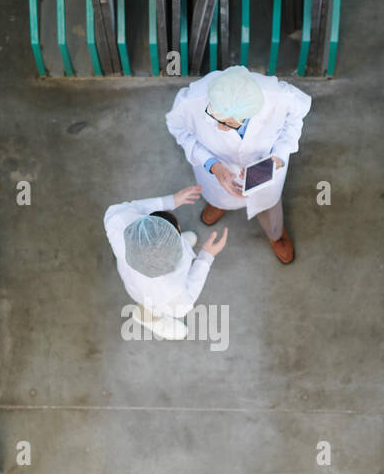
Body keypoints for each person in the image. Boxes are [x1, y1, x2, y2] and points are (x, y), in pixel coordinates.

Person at [165, 65, 311, 264]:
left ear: (250, 114)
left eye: (229, 123)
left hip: (267, 164)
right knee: (219, 194)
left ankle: (275, 233)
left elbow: (295, 121)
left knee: (269, 204)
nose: (219, 127)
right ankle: (219, 204)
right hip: (216, 166)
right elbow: (178, 128)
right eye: (213, 116)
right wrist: (213, 165)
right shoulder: (192, 99)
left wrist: (279, 155)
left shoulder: (278, 96)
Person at [103, 185, 228, 340]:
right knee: (151, 307)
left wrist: (170, 201)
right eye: (176, 232)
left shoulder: (117, 220)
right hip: (150, 298)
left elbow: (132, 207)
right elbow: (186, 301)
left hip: (131, 276)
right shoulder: (170, 290)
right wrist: (206, 257)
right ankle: (147, 318)